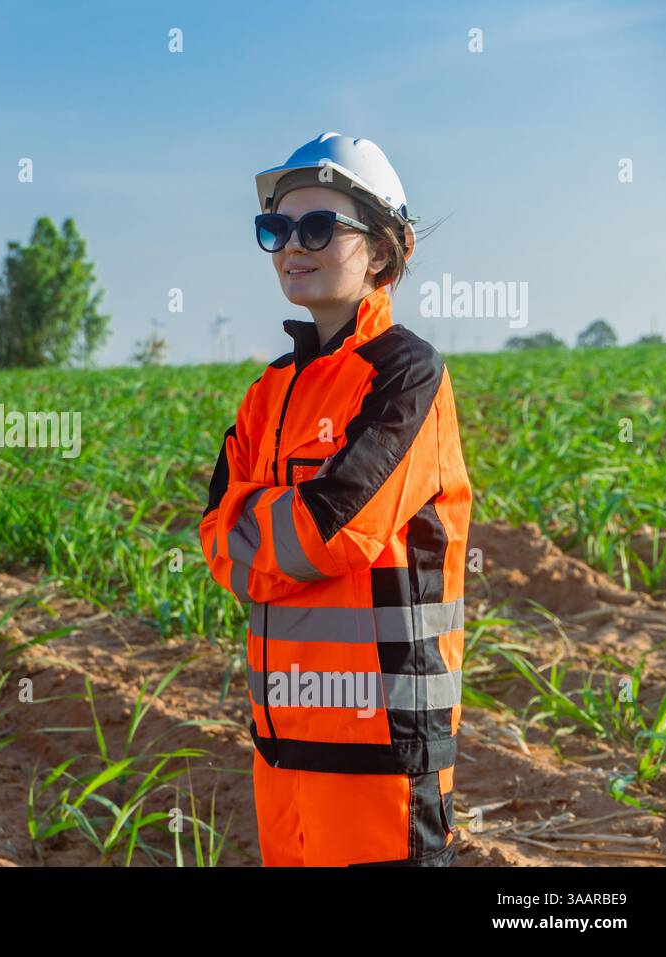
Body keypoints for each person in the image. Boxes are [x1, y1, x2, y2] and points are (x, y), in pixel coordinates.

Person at [200, 134, 472, 866]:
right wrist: (269, 527)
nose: (293, 245)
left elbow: (333, 528)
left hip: (381, 751)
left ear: (383, 250)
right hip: (283, 750)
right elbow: (217, 543)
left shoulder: (405, 375)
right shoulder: (267, 392)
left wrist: (259, 516)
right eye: (276, 229)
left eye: (318, 227)